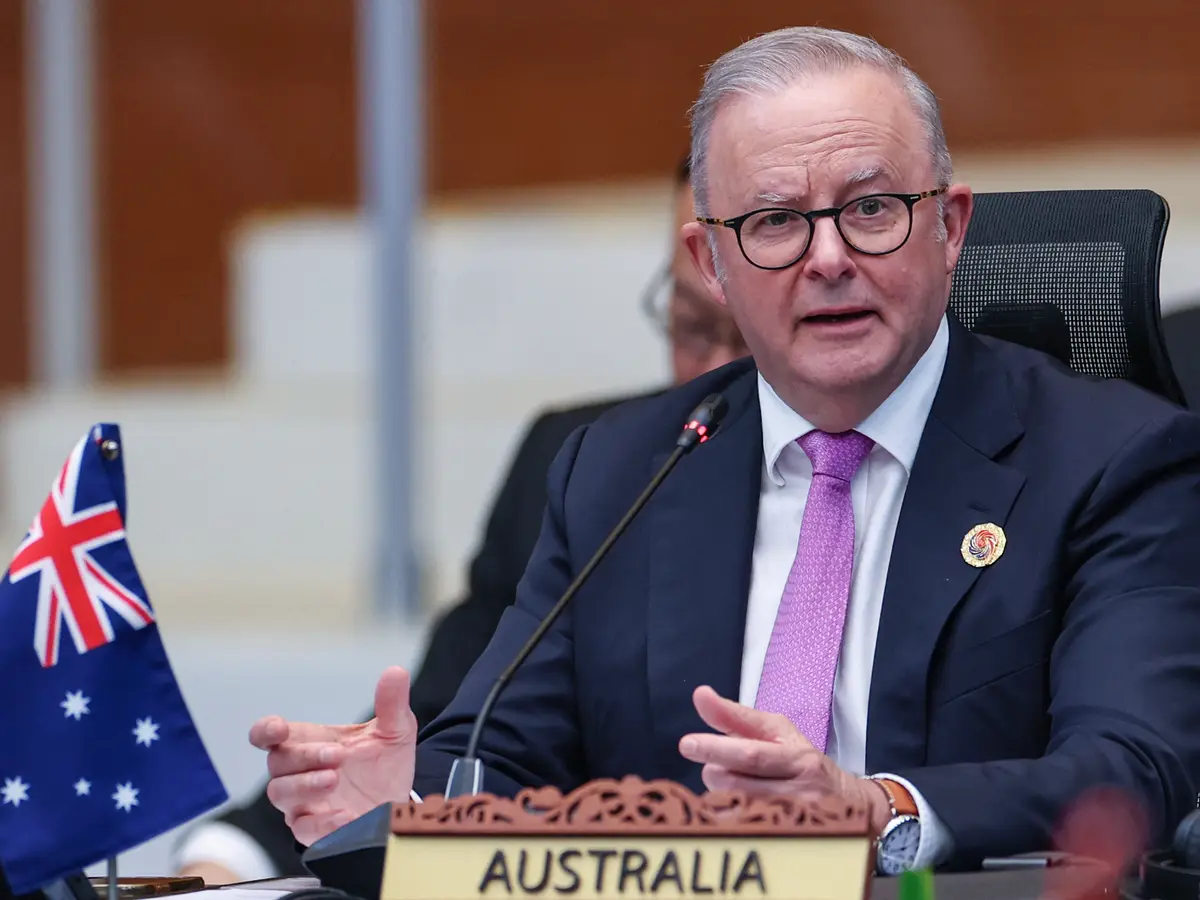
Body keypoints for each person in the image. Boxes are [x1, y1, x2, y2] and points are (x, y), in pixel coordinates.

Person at [250, 26, 1200, 875]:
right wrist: (411, 803)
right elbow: (505, 753)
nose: (829, 258)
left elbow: (1135, 766)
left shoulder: (1113, 460)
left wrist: (878, 810)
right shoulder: (621, 469)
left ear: (949, 227)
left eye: (872, 209)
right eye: (776, 222)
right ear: (711, 265)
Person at [173, 157, 747, 883]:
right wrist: (234, 857)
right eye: (690, 329)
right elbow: (450, 718)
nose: (716, 372)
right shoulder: (587, 466)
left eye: (744, 338)